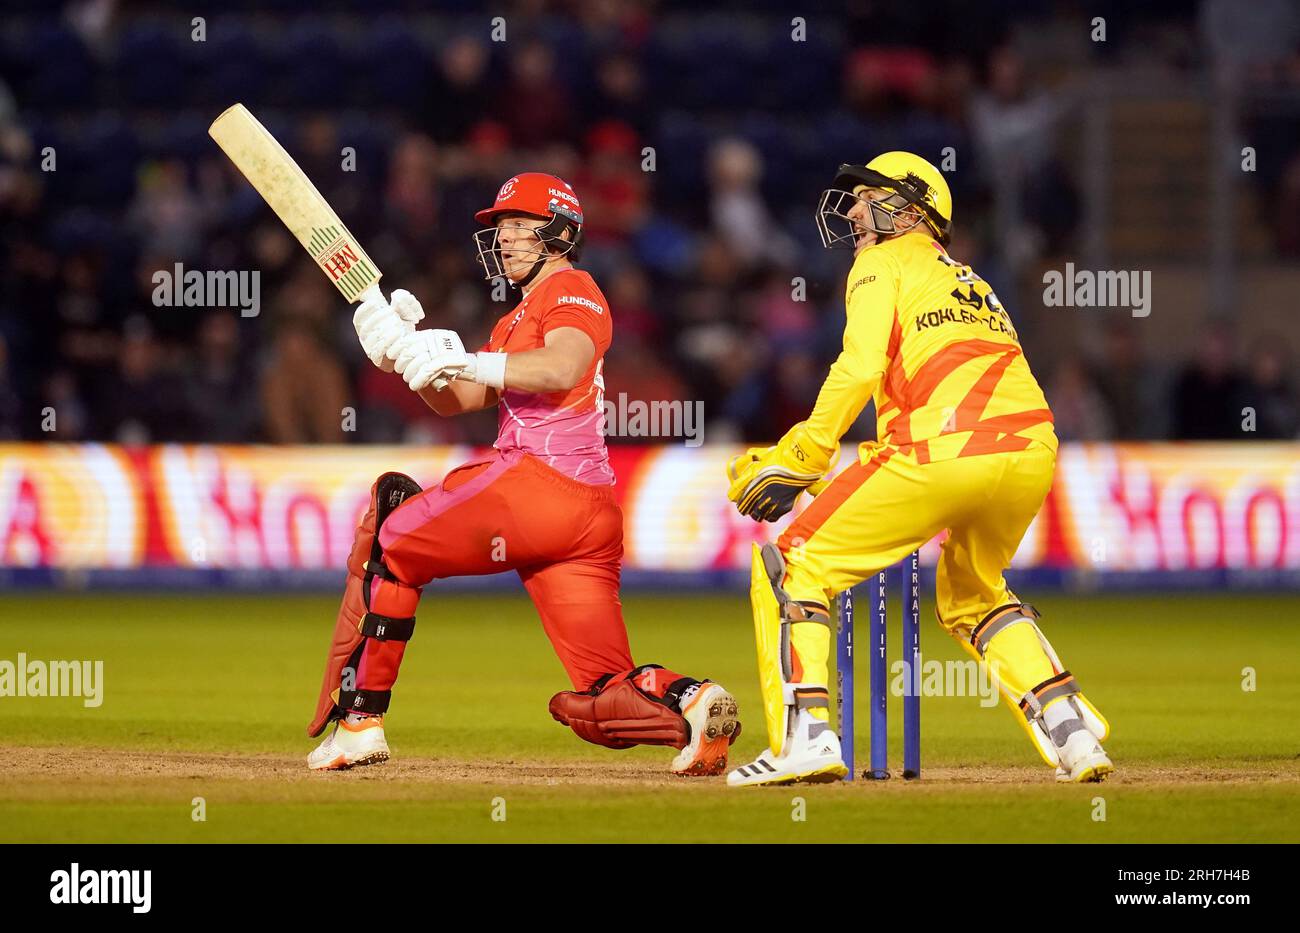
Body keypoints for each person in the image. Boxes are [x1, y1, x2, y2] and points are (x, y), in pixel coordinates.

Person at [306, 173, 740, 775]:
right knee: (596, 694)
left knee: (393, 531)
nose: (503, 239)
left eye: (517, 227)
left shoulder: (573, 289)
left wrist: (464, 357)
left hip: (540, 486)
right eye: (500, 228)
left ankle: (359, 722)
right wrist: (400, 351)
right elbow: (455, 399)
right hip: (585, 518)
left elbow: (563, 366)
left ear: (559, 233)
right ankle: (690, 703)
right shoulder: (513, 322)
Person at [725, 152, 1112, 786]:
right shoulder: (973, 282)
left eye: (866, 197)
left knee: (793, 564)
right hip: (1032, 451)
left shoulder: (880, 262)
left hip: (940, 449)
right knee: (974, 593)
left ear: (909, 209)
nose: (851, 210)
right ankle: (1068, 725)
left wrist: (805, 453)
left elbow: (859, 367)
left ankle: (807, 737)